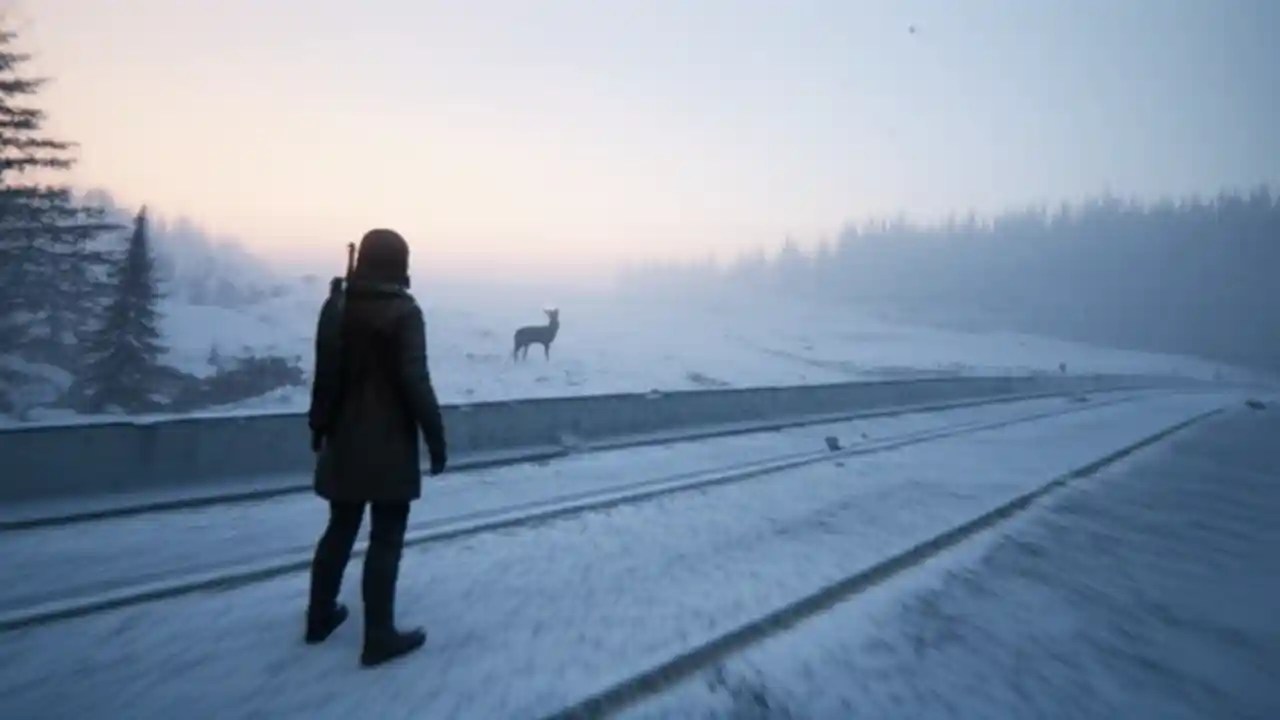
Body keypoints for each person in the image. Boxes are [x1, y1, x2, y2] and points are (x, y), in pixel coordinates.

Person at [305, 228, 448, 667]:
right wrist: (435, 437)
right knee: (386, 539)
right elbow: (415, 382)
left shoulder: (337, 306)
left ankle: (319, 617)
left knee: (339, 530)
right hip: (389, 446)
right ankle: (378, 636)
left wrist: (319, 425)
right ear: (400, 264)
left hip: (343, 440)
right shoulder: (404, 313)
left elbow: (324, 376)